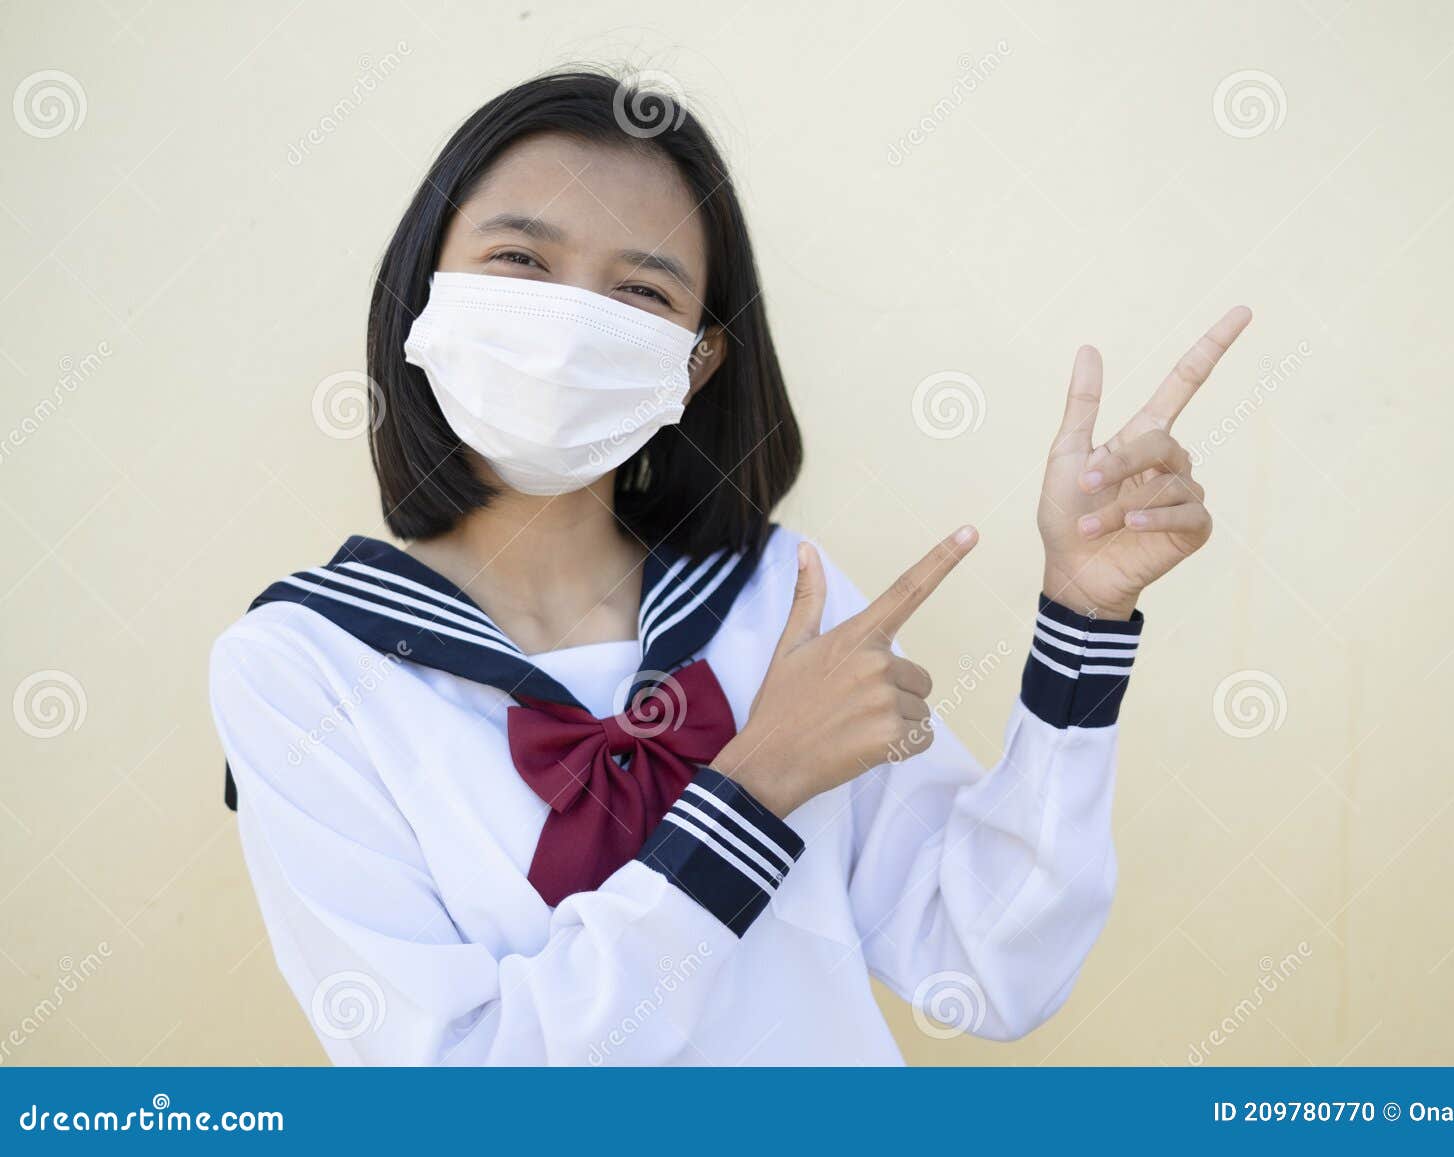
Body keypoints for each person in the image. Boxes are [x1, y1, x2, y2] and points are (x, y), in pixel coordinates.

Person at [209, 70, 1251, 1065]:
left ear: (697, 362)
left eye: (642, 291)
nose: (574, 323)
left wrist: (1081, 621)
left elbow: (987, 964)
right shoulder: (302, 669)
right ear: (425, 285)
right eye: (522, 260)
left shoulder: (780, 596)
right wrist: (751, 790)